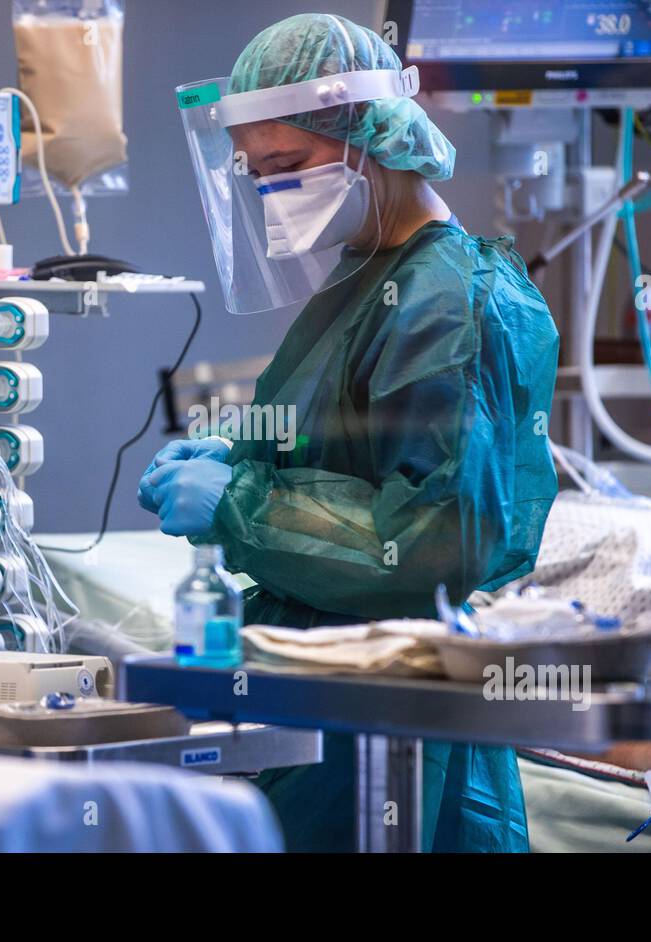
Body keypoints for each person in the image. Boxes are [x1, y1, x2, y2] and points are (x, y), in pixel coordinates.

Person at [139, 13, 560, 851]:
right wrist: (245, 454)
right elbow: (344, 452)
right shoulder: (367, 274)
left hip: (400, 725)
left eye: (287, 166)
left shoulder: (450, 302)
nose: (271, 192)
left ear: (373, 135)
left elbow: (438, 541)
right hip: (329, 696)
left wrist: (239, 503)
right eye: (256, 173)